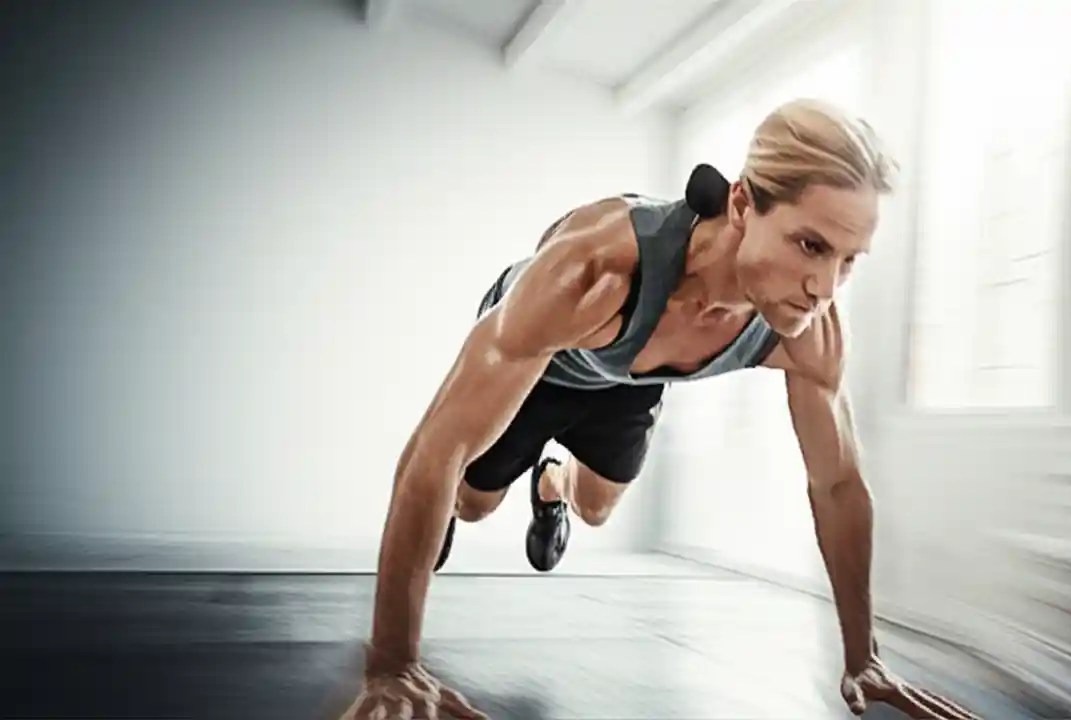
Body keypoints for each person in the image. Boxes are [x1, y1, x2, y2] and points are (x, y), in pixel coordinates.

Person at [341, 99, 978, 719]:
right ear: (740, 204)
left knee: (595, 510)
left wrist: (863, 655)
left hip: (631, 375)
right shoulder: (595, 269)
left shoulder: (809, 330)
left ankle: (553, 483)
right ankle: (460, 508)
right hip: (549, 358)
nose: (825, 286)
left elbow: (836, 483)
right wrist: (392, 665)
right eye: (809, 245)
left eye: (849, 260)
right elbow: (436, 446)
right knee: (471, 500)